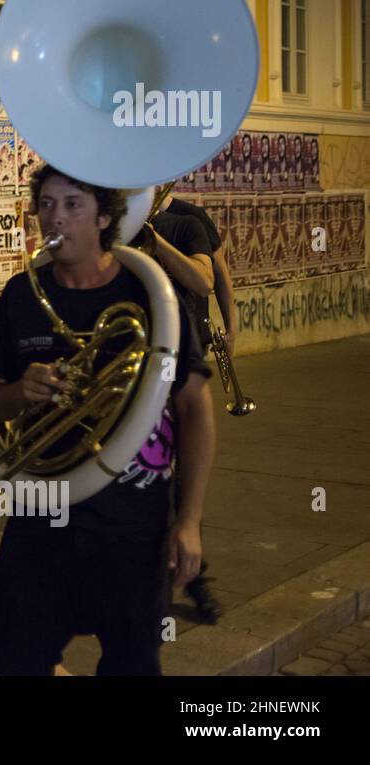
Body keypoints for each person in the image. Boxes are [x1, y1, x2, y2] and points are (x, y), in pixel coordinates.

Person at [0, 165, 215, 675]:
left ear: (105, 216)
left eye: (72, 204)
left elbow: (194, 408)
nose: (54, 217)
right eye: (45, 204)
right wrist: (21, 390)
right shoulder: (23, 295)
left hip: (131, 521)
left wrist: (190, 520)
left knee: (132, 663)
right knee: (11, 649)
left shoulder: (152, 298)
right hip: (43, 512)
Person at [159, 191, 230, 624]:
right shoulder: (116, 222)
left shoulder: (187, 222)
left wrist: (155, 244)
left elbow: (205, 280)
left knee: (184, 480)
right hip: (137, 365)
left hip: (182, 366)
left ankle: (195, 575)